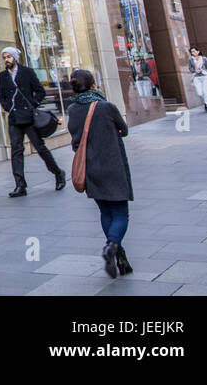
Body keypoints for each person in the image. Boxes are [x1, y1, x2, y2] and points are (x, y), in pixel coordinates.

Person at [66, 69, 134, 278]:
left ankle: (120, 258)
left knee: (106, 213)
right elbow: (124, 129)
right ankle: (111, 246)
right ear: (94, 85)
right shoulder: (106, 107)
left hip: (91, 168)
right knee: (121, 214)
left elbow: (76, 141)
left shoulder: (72, 109)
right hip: (113, 167)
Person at [0, 46, 66, 196]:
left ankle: (58, 173)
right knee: (16, 151)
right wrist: (8, 107)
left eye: (9, 57)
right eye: (4, 57)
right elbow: (1, 95)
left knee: (40, 148)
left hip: (29, 118)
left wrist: (32, 104)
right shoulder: (2, 76)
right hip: (14, 118)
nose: (6, 60)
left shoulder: (27, 72)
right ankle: (20, 185)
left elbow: (40, 91)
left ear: (15, 57)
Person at [188, 46, 207, 113]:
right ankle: (205, 102)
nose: (193, 53)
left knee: (205, 92)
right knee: (199, 93)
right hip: (196, 78)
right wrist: (195, 70)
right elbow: (190, 68)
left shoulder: (204, 58)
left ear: (198, 51)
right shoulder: (190, 59)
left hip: (205, 76)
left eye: (194, 51)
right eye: (191, 52)